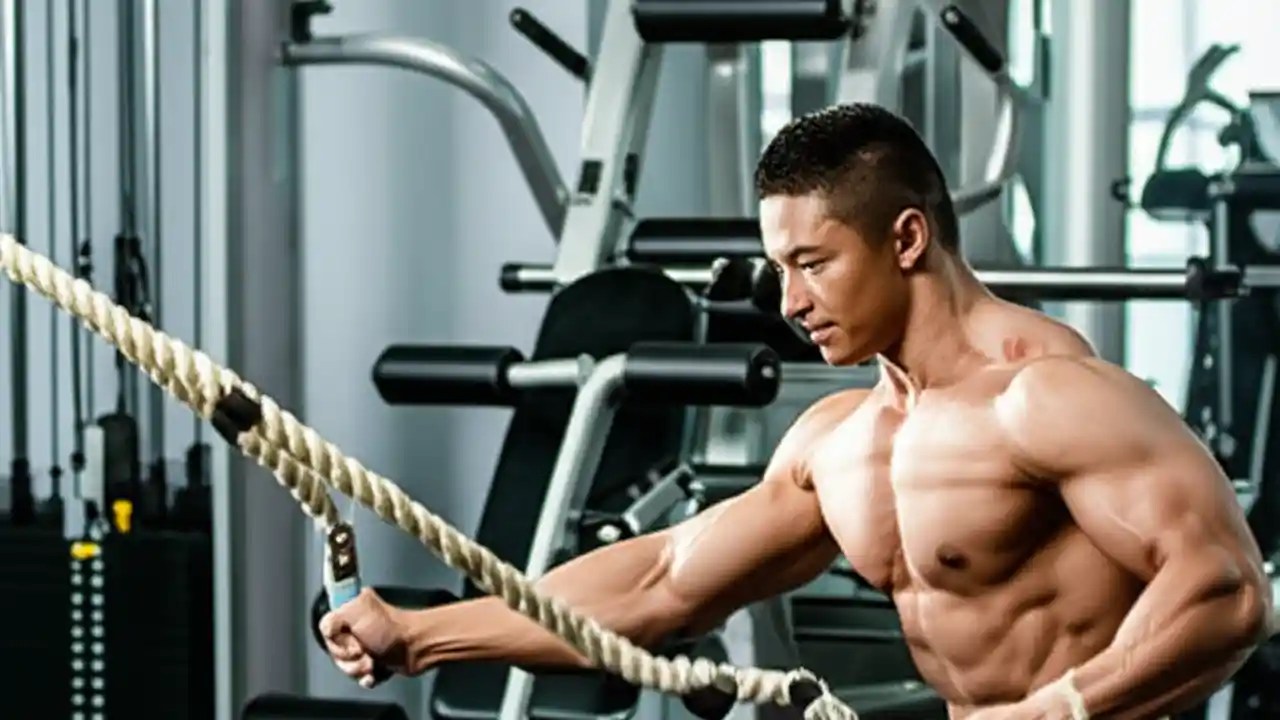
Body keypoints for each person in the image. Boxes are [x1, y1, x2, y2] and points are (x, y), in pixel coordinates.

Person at [320, 103, 1274, 718]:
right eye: (781, 270)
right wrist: (424, 634)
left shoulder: (1048, 398)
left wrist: (1054, 713)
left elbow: (1230, 592)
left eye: (812, 264)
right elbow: (662, 581)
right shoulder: (842, 444)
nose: (789, 303)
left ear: (905, 237)